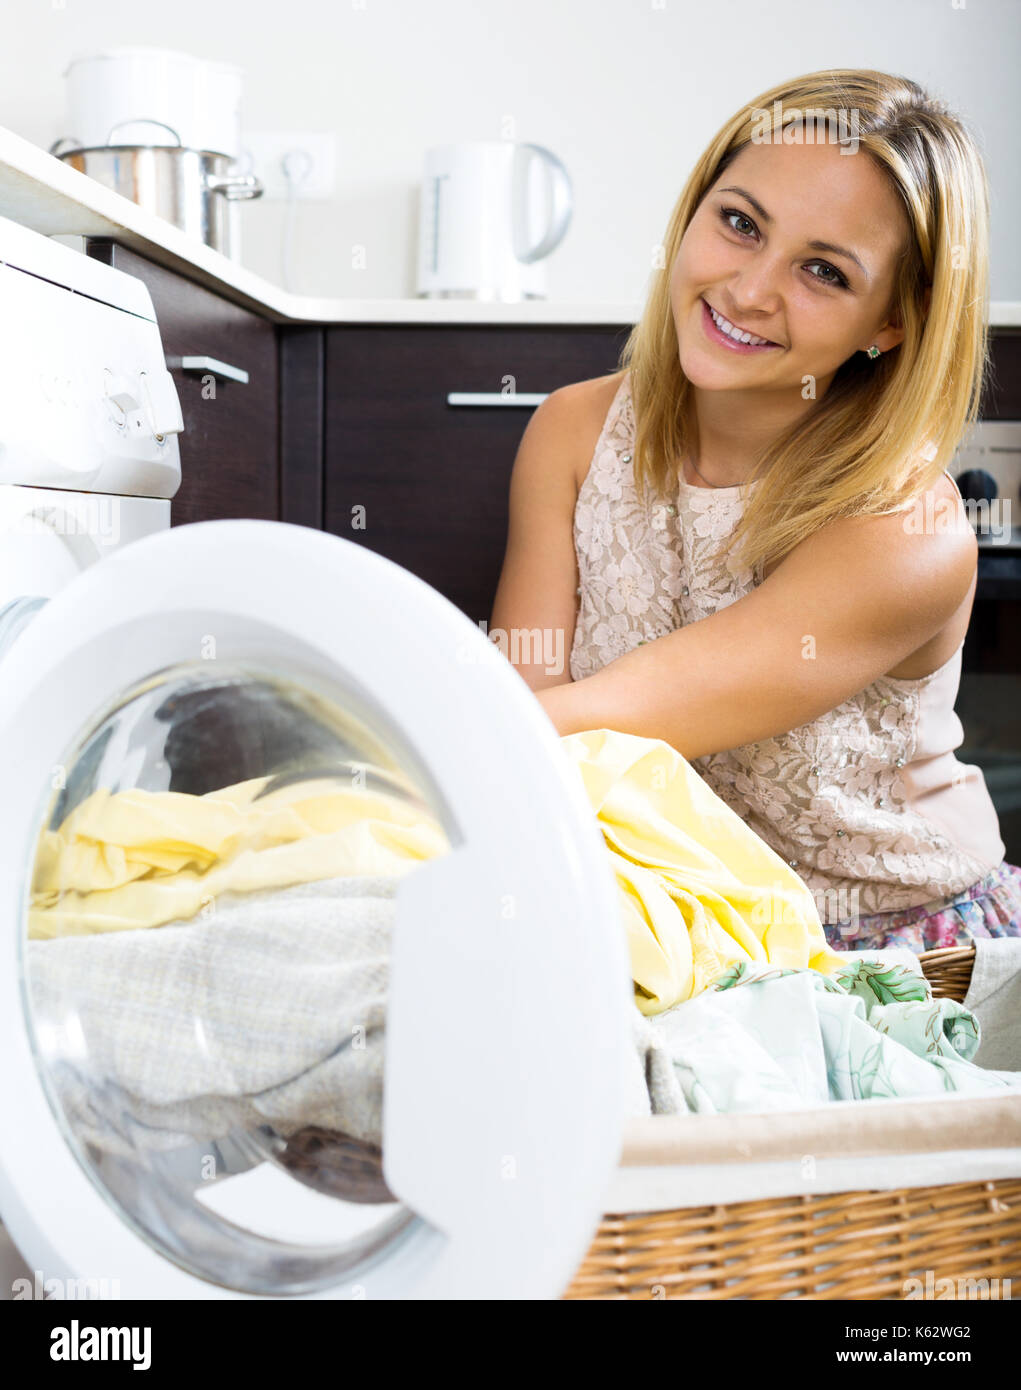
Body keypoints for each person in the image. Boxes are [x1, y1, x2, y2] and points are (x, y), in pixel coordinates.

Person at [490, 68, 1021, 952]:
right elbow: (527, 709)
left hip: (885, 949)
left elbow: (585, 722)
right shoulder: (573, 432)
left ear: (889, 324)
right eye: (739, 223)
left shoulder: (905, 532)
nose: (748, 290)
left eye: (822, 269)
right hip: (656, 917)